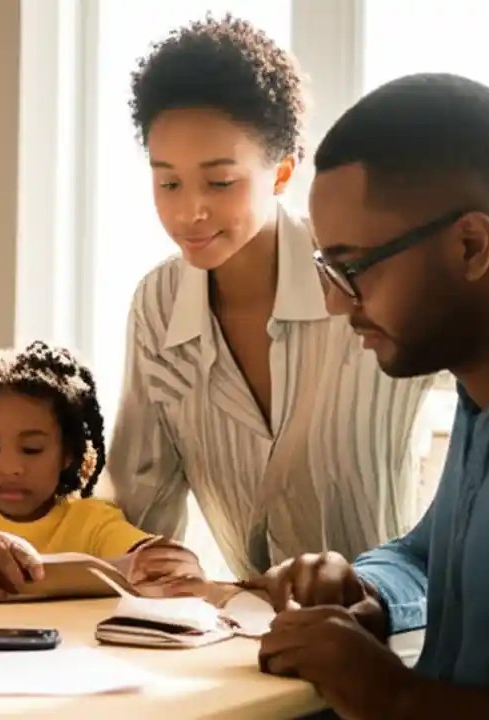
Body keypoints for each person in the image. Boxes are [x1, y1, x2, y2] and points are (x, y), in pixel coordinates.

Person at [258, 73, 489, 718]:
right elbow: (429, 558)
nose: (335, 303)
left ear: (470, 245)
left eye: (352, 267)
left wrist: (402, 699)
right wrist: (366, 589)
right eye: (325, 268)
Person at [108, 14, 435, 580]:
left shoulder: (367, 277)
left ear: (282, 173)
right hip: (249, 624)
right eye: (168, 183)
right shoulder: (158, 306)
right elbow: (140, 508)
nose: (189, 212)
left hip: (392, 623)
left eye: (220, 182)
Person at [0, 341, 203, 602]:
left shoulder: (90, 522)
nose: (11, 469)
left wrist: (23, 582)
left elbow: (174, 566)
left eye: (32, 449)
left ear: (68, 453)